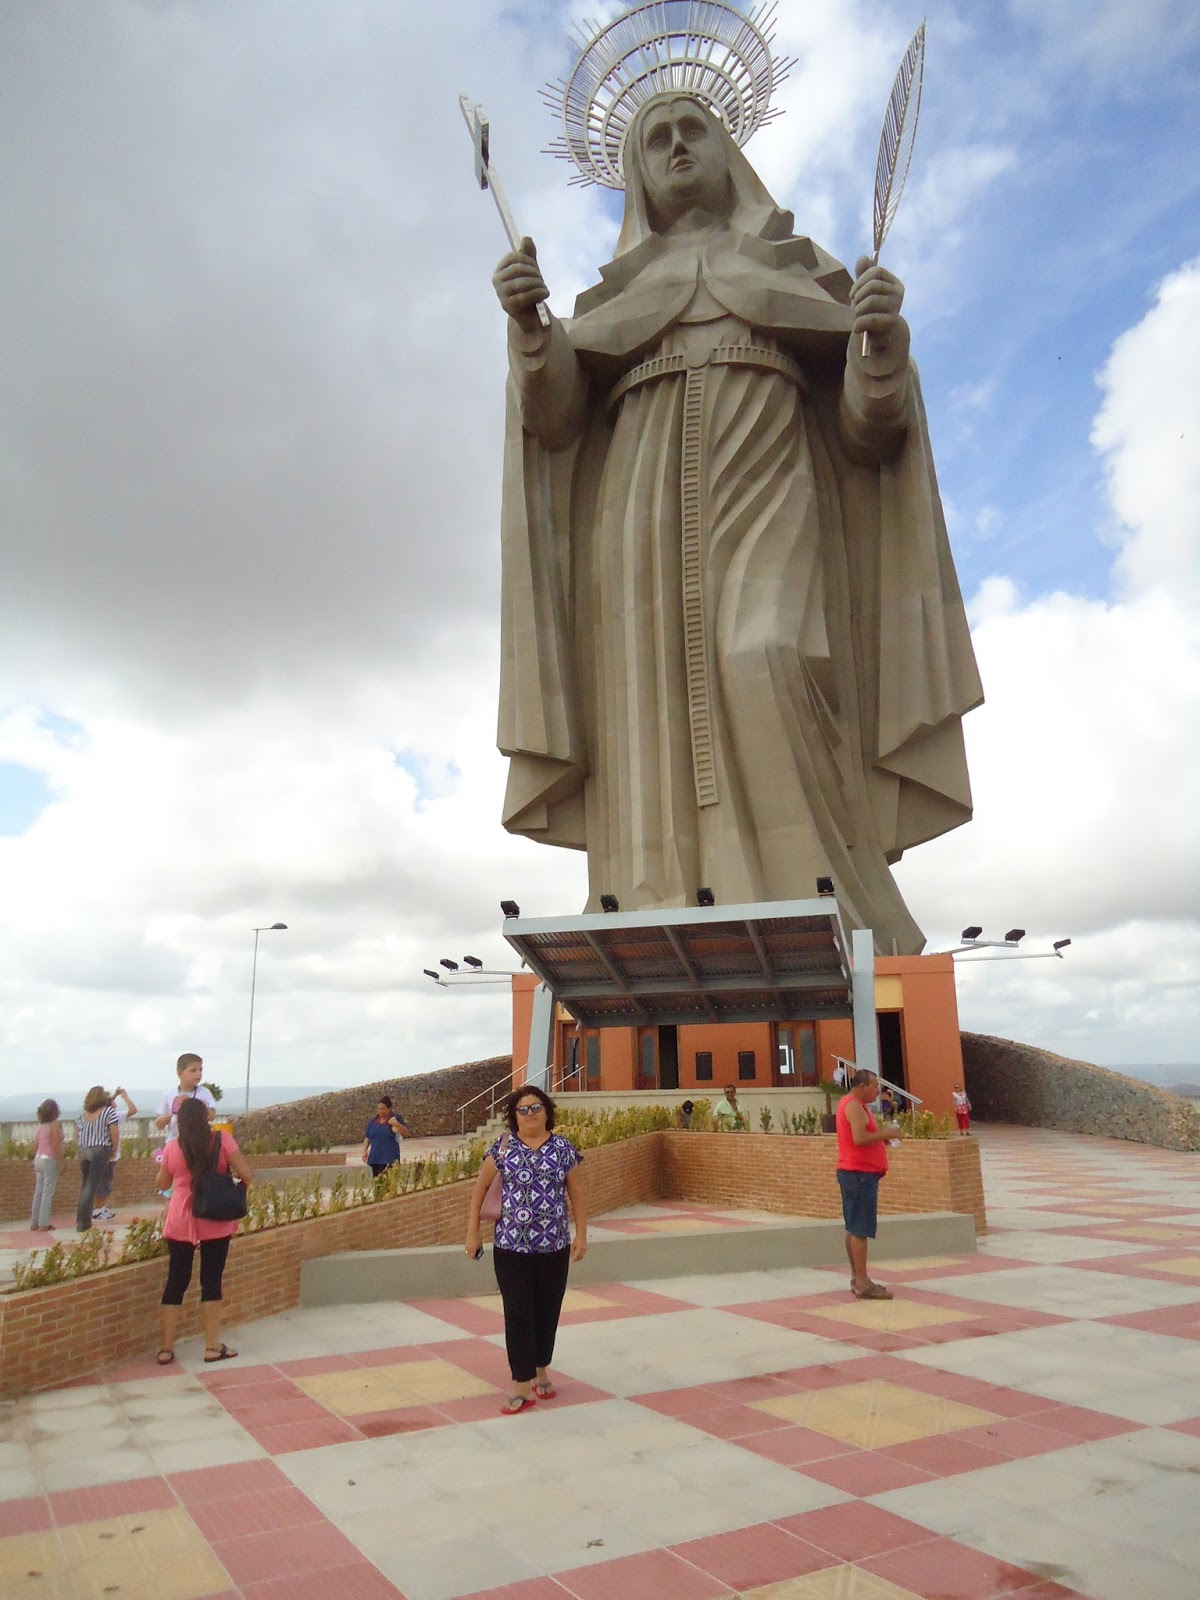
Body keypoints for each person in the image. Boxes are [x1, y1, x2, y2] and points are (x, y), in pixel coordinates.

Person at [492, 91, 981, 952]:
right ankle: (654, 903)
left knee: (769, 654)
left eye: (694, 132)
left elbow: (871, 434)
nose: (678, 148)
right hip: (637, 501)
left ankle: (835, 897)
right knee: (647, 693)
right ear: (637, 174)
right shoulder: (618, 291)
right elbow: (558, 417)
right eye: (657, 140)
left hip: (770, 472)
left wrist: (877, 347)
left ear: (728, 151)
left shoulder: (798, 270)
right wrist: (532, 327)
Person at [464, 1085, 587, 1414]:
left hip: (554, 1246)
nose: (530, 1114)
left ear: (547, 1112)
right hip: (510, 1247)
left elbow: (576, 1192)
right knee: (518, 1312)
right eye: (523, 1109)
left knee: (547, 1310)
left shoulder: (562, 1149)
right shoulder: (503, 1148)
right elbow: (480, 1189)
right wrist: (472, 1232)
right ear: (513, 1116)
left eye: (536, 1108)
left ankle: (541, 1368)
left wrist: (582, 1235)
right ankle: (521, 1382)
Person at [157, 1096, 253, 1366]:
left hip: (180, 1219)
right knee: (211, 1280)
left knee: (176, 1280)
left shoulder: (173, 1147)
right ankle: (212, 1346)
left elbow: (162, 1181)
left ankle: (166, 1348)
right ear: (205, 1118)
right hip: (215, 1216)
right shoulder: (222, 1141)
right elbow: (247, 1174)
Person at [837, 1069, 902, 1299]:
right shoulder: (854, 1105)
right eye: (874, 1086)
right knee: (860, 1229)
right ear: (862, 1086)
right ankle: (863, 1282)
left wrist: (881, 1137)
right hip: (859, 1174)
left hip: (857, 1173)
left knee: (854, 1227)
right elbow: (860, 1138)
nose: (877, 1091)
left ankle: (858, 1277)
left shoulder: (854, 1104)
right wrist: (887, 1133)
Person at [75, 1087, 120, 1232]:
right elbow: (114, 1131)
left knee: (85, 1185)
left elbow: (76, 1130)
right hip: (101, 1149)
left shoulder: (84, 1114)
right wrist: (115, 1149)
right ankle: (84, 1223)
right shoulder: (108, 1111)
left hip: (85, 1150)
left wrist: (81, 1145)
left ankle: (80, 1218)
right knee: (92, 1186)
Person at [92, 1086, 137, 1221]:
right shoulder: (113, 1115)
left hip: (100, 1153)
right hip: (109, 1153)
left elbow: (106, 1102)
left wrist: (115, 1095)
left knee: (105, 1182)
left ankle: (102, 1208)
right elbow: (133, 1110)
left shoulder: (99, 1114)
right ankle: (98, 1210)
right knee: (104, 1183)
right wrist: (125, 1097)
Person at [155, 1053, 217, 1141]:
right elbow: (159, 1125)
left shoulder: (204, 1093)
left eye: (200, 1070)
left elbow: (212, 1116)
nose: (198, 1074)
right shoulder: (169, 1095)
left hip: (199, 1142)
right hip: (174, 1142)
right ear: (180, 1073)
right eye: (193, 1070)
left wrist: (193, 1103)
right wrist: (161, 1121)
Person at [29, 1098, 64, 1231]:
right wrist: (61, 1162)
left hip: (38, 1158)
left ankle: (34, 1222)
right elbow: (56, 1144)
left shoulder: (40, 1126)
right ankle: (44, 1223)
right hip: (49, 1159)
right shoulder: (54, 1125)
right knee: (47, 1192)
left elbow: (35, 1145)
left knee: (38, 1191)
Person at [361, 1095, 410, 1176]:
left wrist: (396, 1124)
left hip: (389, 1158)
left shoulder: (395, 1119)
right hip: (375, 1157)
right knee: (377, 1183)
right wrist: (364, 1151)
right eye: (379, 1109)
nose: (380, 1111)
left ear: (389, 1109)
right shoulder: (374, 1121)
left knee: (387, 1183)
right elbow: (368, 1137)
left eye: (382, 1109)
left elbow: (406, 1132)